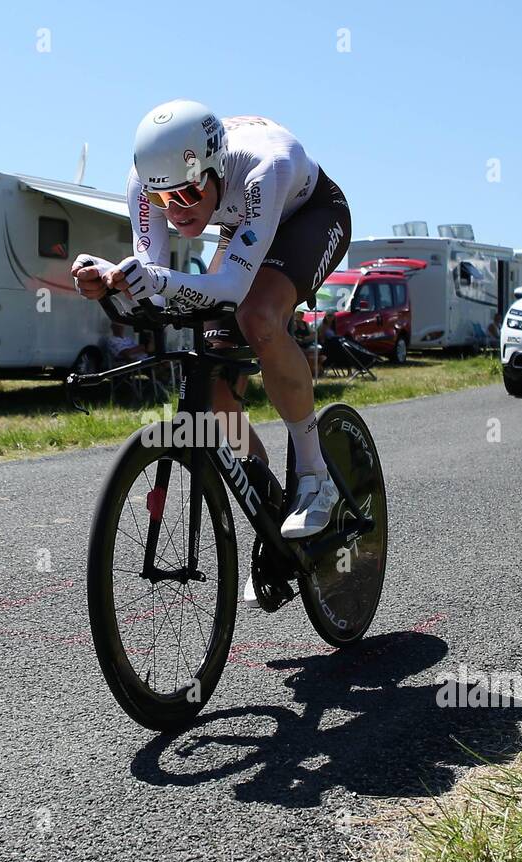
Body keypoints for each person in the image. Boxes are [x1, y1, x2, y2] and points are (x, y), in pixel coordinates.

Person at [71, 100, 351, 541]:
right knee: (216, 381)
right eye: (163, 199)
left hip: (309, 216)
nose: (177, 210)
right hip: (241, 225)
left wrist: (155, 279)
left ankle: (317, 479)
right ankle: (271, 515)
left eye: (188, 194)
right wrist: (114, 278)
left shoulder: (265, 166)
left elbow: (232, 287)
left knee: (258, 315)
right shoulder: (145, 182)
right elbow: (153, 271)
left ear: (216, 169)